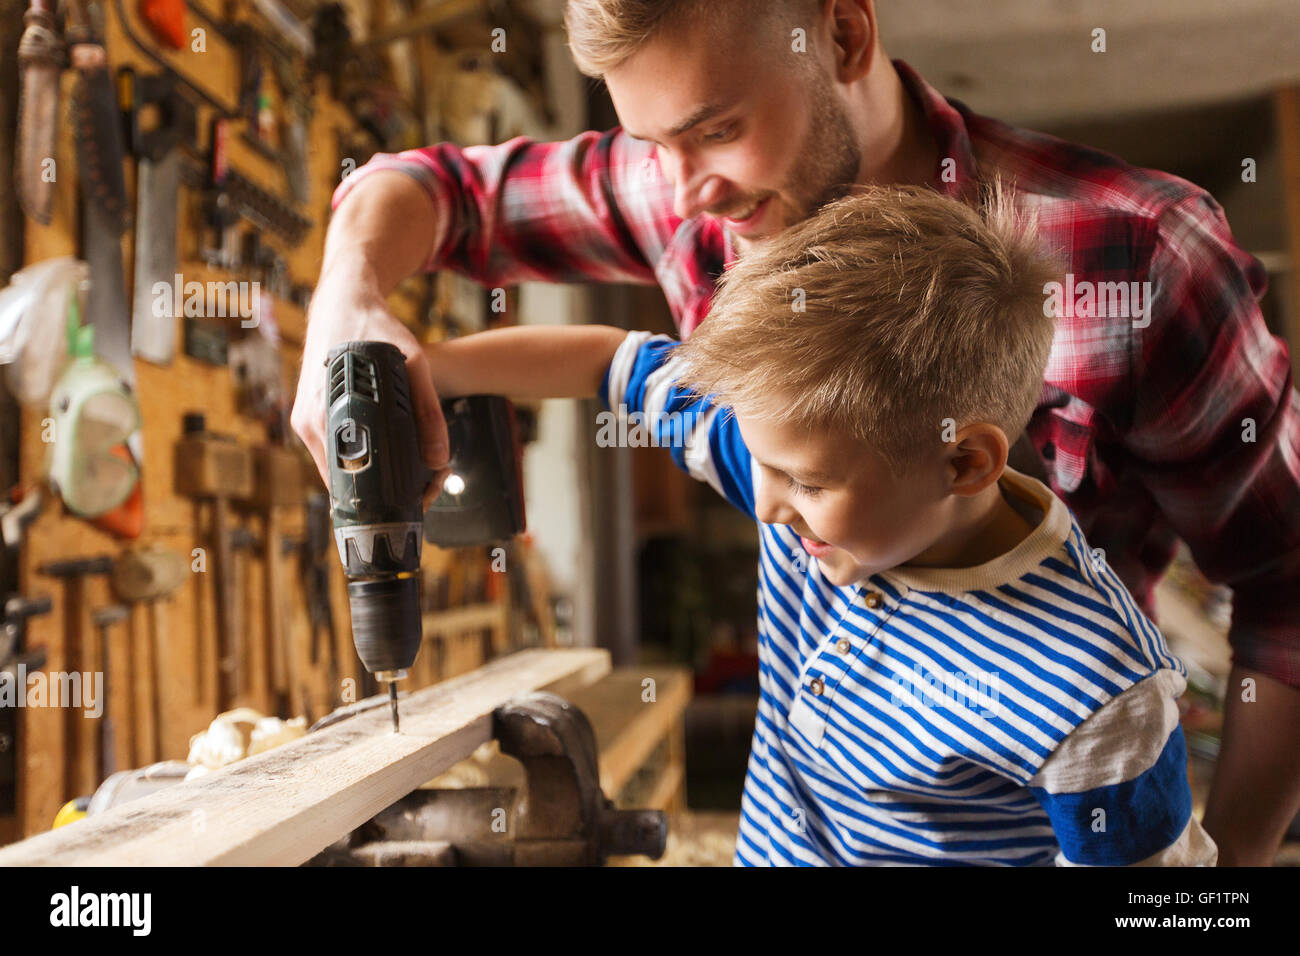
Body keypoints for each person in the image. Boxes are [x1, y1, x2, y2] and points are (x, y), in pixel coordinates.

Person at [291, 0, 1300, 864]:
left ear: (847, 32)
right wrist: (351, 309)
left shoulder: (1138, 259)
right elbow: (440, 192)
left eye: (715, 130)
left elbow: (1286, 597)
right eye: (652, 146)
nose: (683, 195)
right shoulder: (691, 193)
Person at [413, 183, 1217, 865]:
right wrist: (424, 374)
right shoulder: (807, 475)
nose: (762, 502)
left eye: (803, 481)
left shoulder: (1094, 687)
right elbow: (609, 361)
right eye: (763, 463)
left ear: (964, 463)